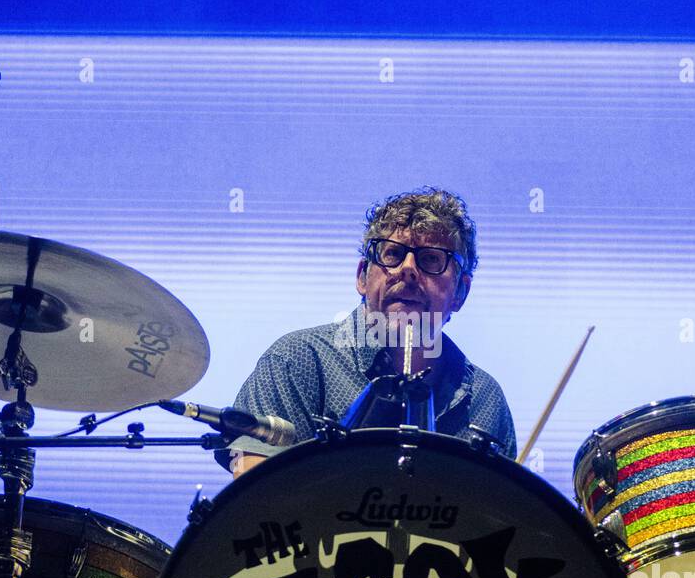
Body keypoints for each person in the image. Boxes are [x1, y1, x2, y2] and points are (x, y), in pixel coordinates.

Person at [217, 187, 517, 476]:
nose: (408, 269)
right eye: (392, 254)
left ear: (460, 292)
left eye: (430, 259)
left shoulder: (486, 399)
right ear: (363, 276)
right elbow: (254, 494)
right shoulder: (297, 361)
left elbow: (504, 515)